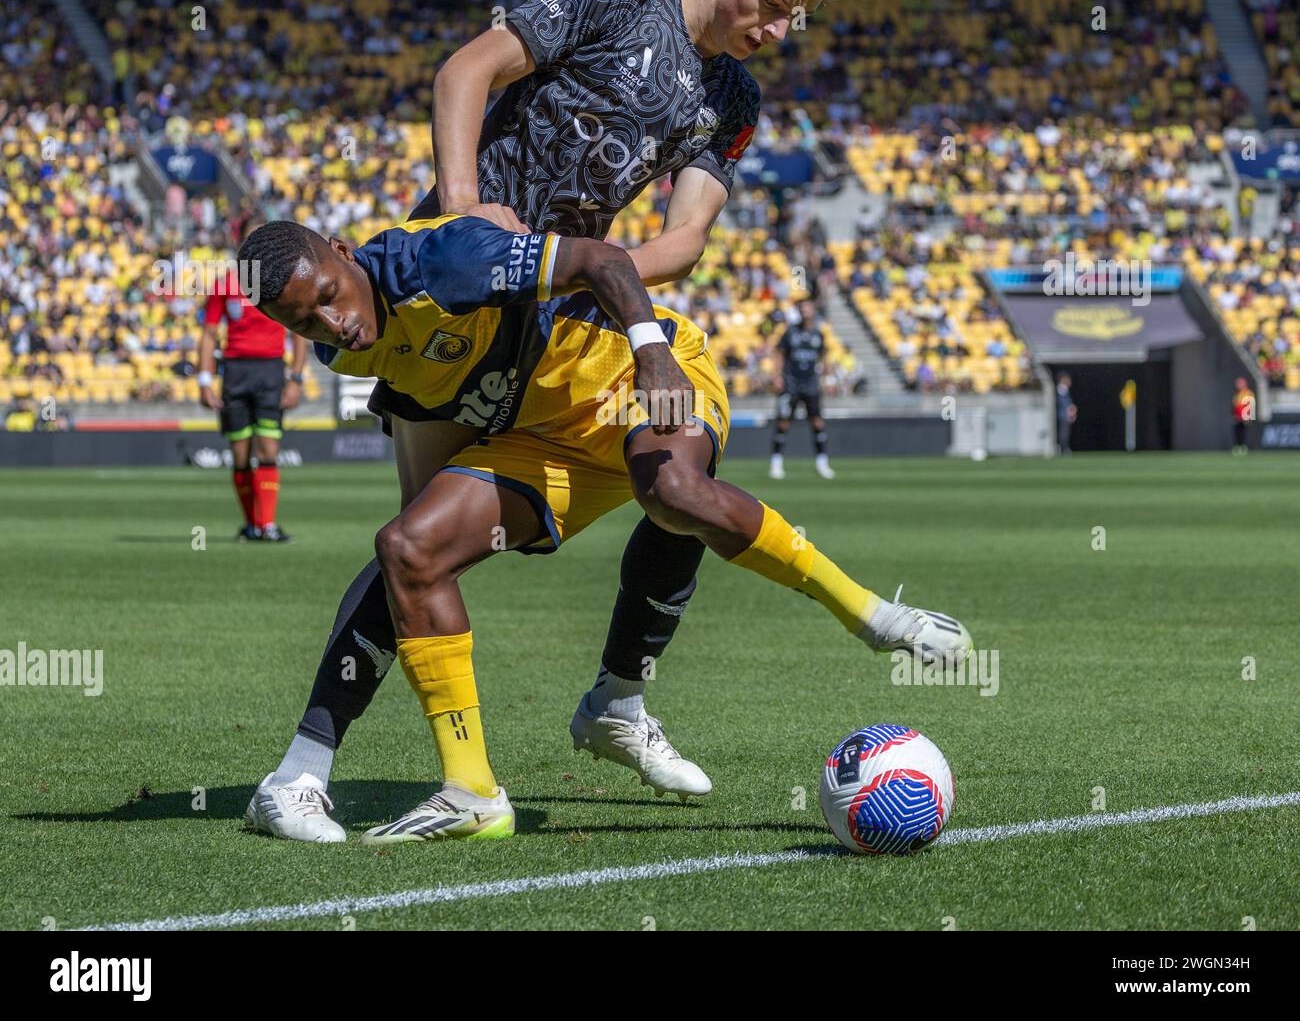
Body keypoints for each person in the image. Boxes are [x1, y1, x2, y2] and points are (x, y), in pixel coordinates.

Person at [248, 0, 844, 835]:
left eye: (790, 21)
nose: (771, 30)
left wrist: (573, 275)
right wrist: (465, 213)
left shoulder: (735, 99)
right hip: (442, 304)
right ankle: (298, 772)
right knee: (415, 542)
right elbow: (468, 69)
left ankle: (618, 698)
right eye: (766, 3)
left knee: (681, 465)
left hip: (552, 317)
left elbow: (684, 240)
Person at [241, 217, 973, 843]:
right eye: (303, 322)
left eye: (330, 300)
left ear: (343, 251)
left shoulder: (438, 260)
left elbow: (600, 260)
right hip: (546, 442)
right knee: (409, 548)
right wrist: (428, 559)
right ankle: (472, 791)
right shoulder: (347, 351)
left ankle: (876, 617)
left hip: (639, 375)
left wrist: (652, 351)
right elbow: (424, 470)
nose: (331, 325)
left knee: (673, 492)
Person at [198, 260, 308, 541]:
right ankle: (251, 525)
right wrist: (204, 380)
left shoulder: (281, 281)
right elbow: (209, 334)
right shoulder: (225, 283)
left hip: (270, 371)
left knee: (268, 451)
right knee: (240, 455)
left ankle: (267, 524)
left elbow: (297, 332)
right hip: (234, 372)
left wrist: (295, 379)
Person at [770, 297, 834, 480]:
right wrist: (776, 376)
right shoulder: (790, 332)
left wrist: (827, 377)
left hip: (811, 385)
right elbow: (779, 354)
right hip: (790, 384)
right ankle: (776, 464)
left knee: (817, 423)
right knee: (783, 423)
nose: (805, 311)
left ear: (814, 309)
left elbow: (824, 356)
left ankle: (822, 464)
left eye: (808, 307)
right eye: (802, 308)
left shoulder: (818, 334)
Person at [1231, 376, 1255, 455]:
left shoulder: (1248, 393)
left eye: (1240, 383)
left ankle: (1243, 447)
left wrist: (1249, 417)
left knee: (1242, 433)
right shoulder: (1237, 394)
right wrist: (1234, 415)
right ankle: (1238, 447)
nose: (1238, 385)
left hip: (1244, 417)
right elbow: (1235, 406)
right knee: (1237, 432)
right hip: (1238, 417)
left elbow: (1250, 406)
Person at [1055, 372, 1076, 455]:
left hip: (1064, 415)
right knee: (1064, 433)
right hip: (1063, 415)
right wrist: (1070, 411)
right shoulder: (1061, 389)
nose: (1069, 381)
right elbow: (1065, 403)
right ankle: (1063, 448)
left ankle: (1063, 448)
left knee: (1065, 432)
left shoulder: (1064, 390)